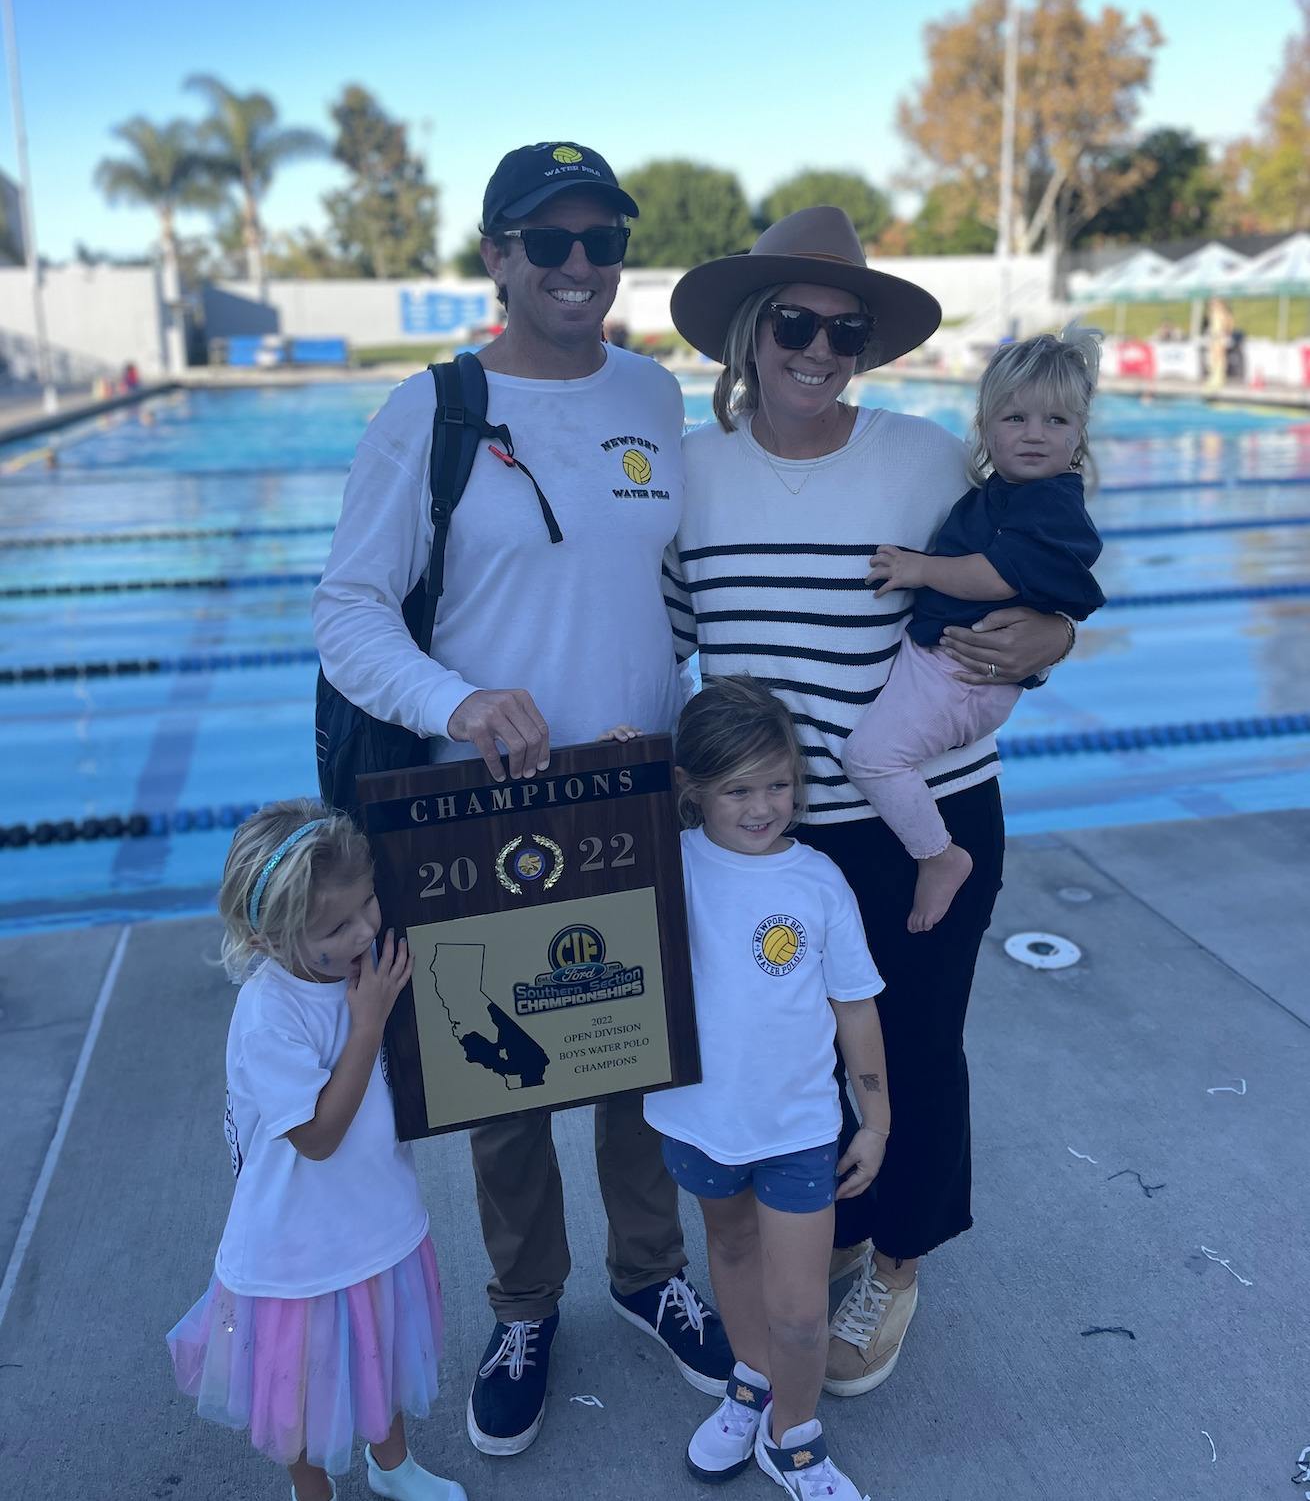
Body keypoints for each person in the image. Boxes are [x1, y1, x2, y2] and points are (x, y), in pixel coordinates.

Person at [312, 142, 731, 1459]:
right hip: (475, 812)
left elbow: (671, 580)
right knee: (503, 1080)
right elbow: (347, 609)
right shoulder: (430, 409)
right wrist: (456, 702)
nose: (575, 267)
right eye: (544, 242)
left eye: (598, 241)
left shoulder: (655, 394)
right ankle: (524, 1303)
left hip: (635, 788)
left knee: (639, 1063)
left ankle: (644, 1270)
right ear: (494, 255)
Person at [665, 207, 1075, 1399]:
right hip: (760, 832)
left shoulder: (924, 457)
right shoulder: (691, 477)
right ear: (749, 335)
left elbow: (1024, 588)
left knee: (914, 1045)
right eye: (793, 322)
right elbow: (674, 642)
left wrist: (1045, 636)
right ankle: (834, 1217)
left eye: (843, 329)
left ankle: (894, 1260)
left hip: (923, 820)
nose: (818, 346)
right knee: (796, 1052)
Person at [167, 801, 462, 1501]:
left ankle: (394, 1466)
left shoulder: (362, 966)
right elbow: (319, 1137)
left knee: (381, 1351)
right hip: (294, 1247)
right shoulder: (271, 1013)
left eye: (368, 904)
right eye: (338, 927)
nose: (366, 929)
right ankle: (312, 1491)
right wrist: (368, 1024)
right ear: (270, 940)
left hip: (376, 1215)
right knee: (302, 1387)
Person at [646, 676, 888, 1499]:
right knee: (732, 1246)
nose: (762, 806)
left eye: (778, 784)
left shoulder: (817, 882)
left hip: (797, 1130)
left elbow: (855, 1007)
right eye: (738, 789)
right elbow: (573, 854)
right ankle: (750, 1382)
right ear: (692, 790)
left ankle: (794, 1437)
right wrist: (620, 769)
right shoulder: (663, 861)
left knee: (800, 1308)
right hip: (698, 1120)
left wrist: (876, 1119)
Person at [844, 327, 1105, 932]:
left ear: (1079, 436)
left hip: (963, 674)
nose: (1035, 434)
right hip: (947, 666)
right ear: (986, 428)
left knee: (871, 757)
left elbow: (995, 575)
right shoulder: (1008, 492)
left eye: (1056, 421)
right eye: (1015, 418)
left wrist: (916, 568)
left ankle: (938, 856)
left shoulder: (1049, 503)